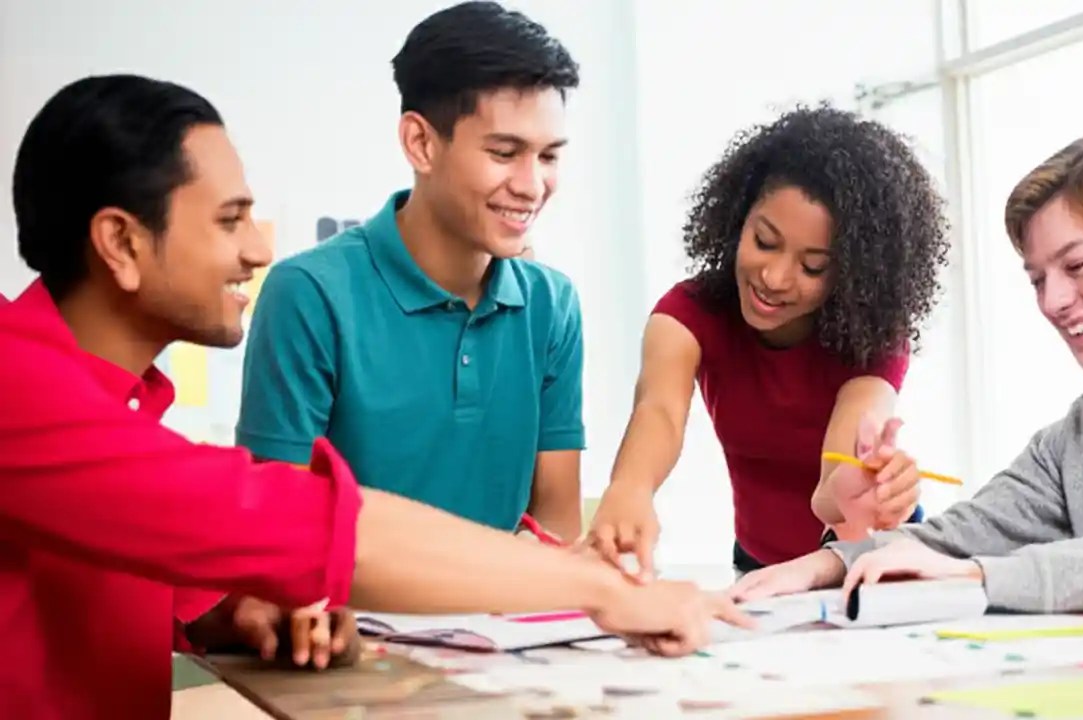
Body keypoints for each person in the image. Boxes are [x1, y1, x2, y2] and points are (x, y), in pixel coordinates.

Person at [0, 74, 751, 720]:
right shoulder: (15, 386)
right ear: (122, 244)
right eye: (230, 221)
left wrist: (241, 611)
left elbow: (162, 569)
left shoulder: (117, 404)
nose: (259, 249)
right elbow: (297, 518)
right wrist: (604, 590)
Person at [727, 133, 1083, 612]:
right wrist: (820, 567)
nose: (1054, 301)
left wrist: (982, 578)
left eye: (1077, 265)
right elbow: (962, 536)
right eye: (1038, 278)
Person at [237, 1, 586, 542]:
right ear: (420, 143)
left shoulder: (552, 305)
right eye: (504, 152)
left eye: (548, 157)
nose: (531, 185)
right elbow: (279, 534)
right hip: (352, 623)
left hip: (509, 620)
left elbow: (556, 527)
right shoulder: (308, 295)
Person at [585, 105, 952, 578]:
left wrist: (861, 489)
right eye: (764, 241)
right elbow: (660, 411)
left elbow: (831, 491)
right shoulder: (689, 313)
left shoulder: (872, 341)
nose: (775, 278)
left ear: (852, 275)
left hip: (861, 563)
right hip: (757, 565)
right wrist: (629, 490)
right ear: (738, 220)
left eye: (813, 267)